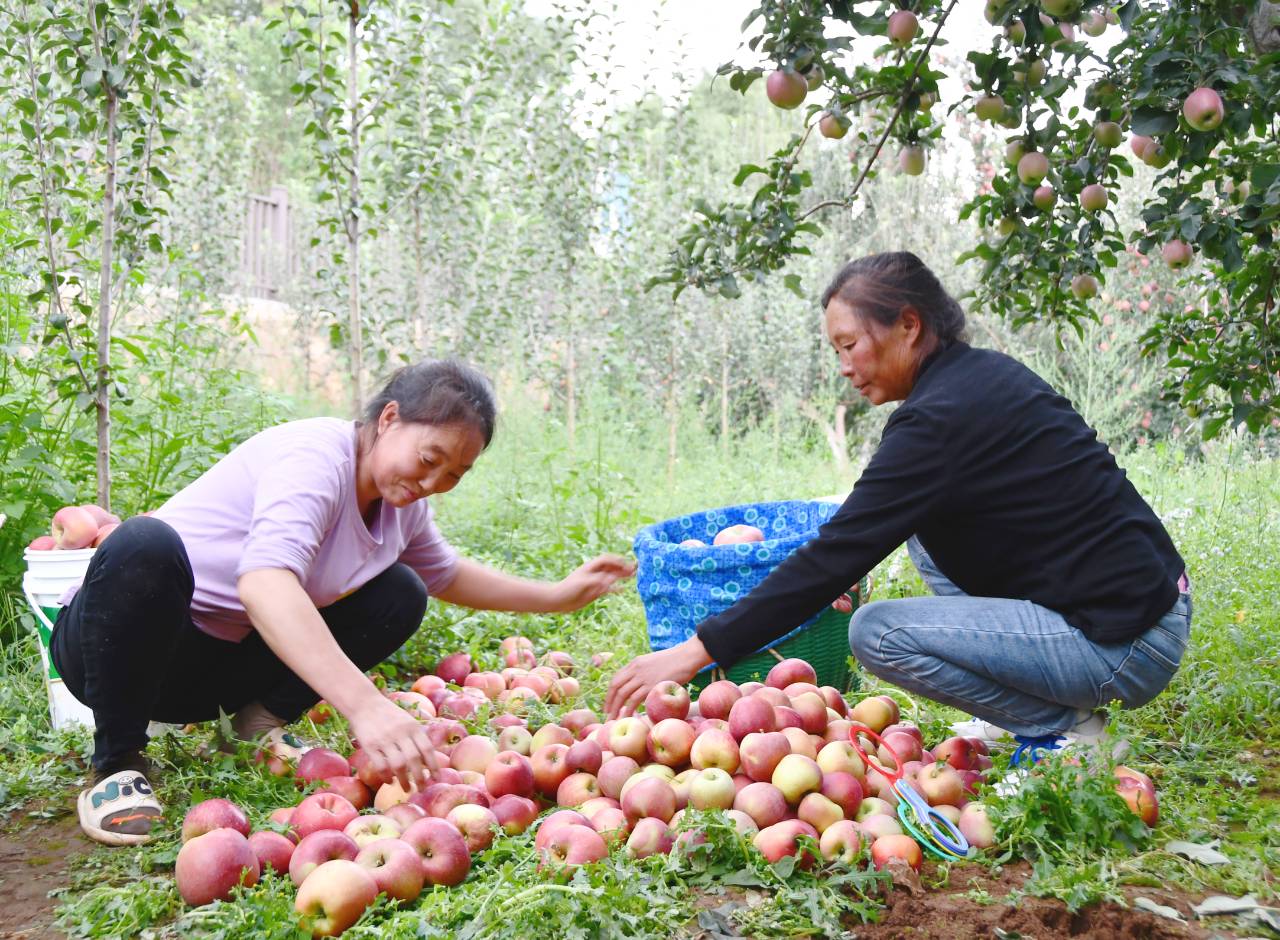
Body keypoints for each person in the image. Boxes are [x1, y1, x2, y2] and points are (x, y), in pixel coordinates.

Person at [605, 251, 1190, 763]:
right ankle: (1022, 699)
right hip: (1144, 607)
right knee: (919, 530)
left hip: (1123, 643)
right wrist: (843, 556)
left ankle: (1065, 729)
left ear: (909, 325)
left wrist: (694, 652)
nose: (844, 366)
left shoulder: (937, 420)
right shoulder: (975, 378)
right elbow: (863, 523)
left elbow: (834, 554)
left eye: (850, 345)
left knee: (878, 633)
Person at [53, 359, 634, 846]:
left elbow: (446, 574)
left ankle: (256, 723)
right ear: (388, 419)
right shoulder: (315, 457)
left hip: (209, 674)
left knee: (400, 592)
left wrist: (555, 597)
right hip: (119, 650)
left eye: (455, 473)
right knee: (144, 543)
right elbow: (263, 583)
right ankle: (118, 763)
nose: (434, 481)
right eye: (430, 459)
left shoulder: (402, 507)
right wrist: (367, 706)